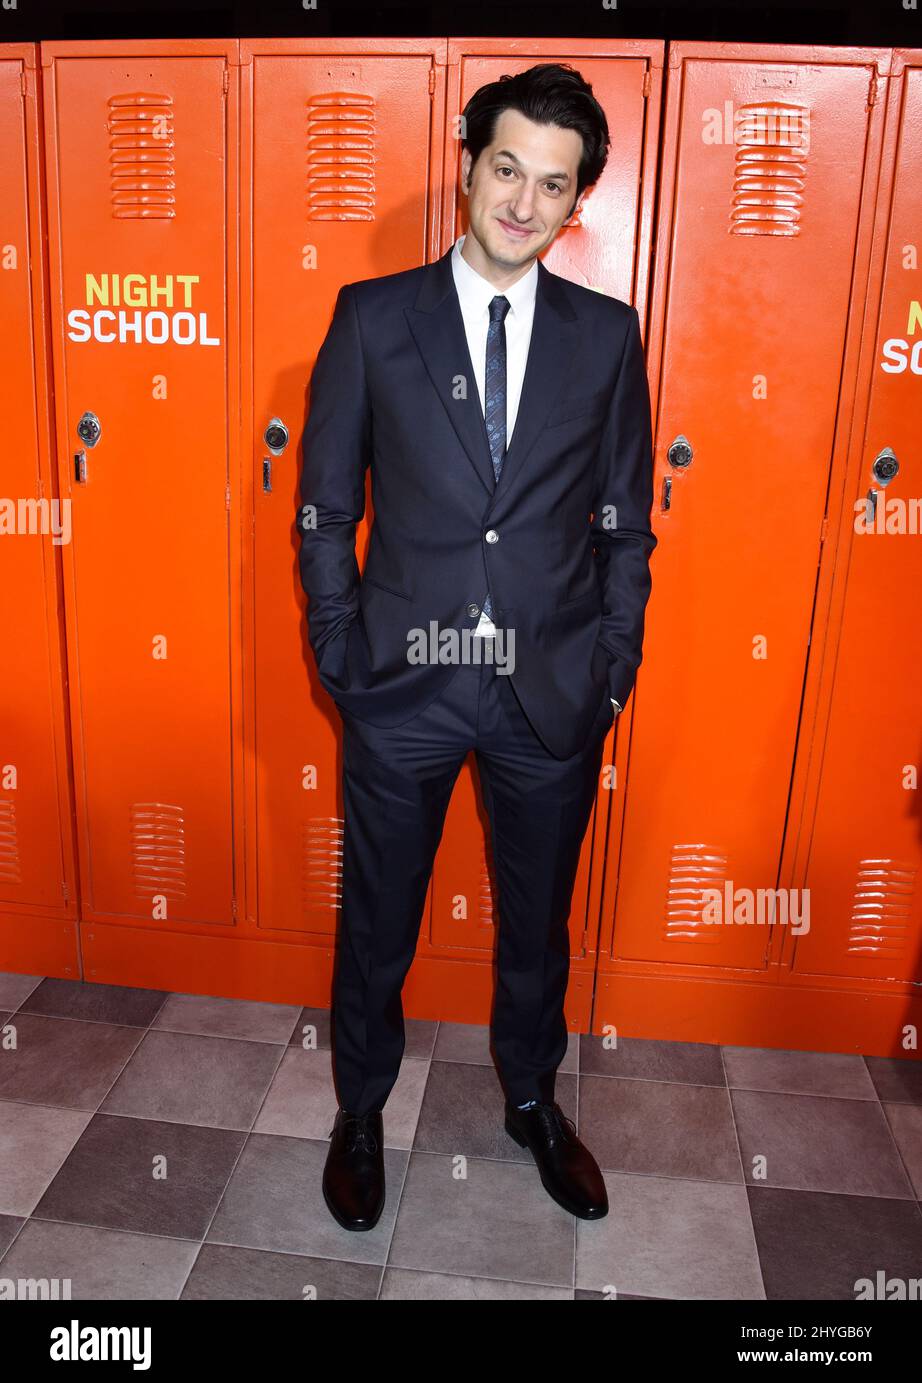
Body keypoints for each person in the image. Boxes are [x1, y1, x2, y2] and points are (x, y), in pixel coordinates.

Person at [297, 62, 657, 1231]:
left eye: (552, 185)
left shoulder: (605, 338)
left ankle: (531, 1102)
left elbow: (624, 519)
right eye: (507, 168)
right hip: (401, 687)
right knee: (378, 921)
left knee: (536, 921)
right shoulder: (371, 316)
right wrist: (342, 652)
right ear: (466, 167)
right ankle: (360, 1111)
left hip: (549, 693)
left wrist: (612, 667)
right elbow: (322, 509)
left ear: (574, 204)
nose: (522, 201)